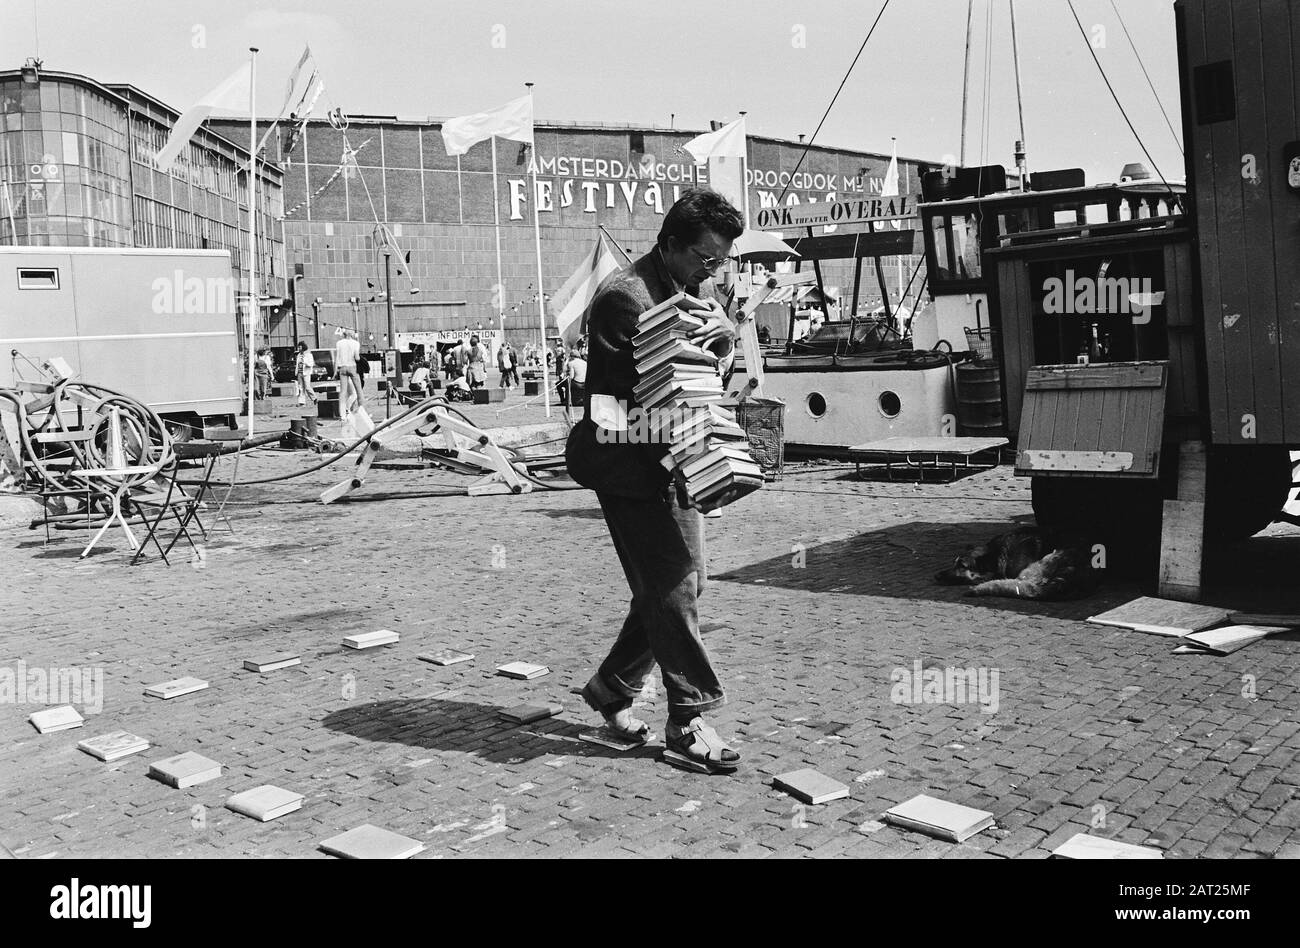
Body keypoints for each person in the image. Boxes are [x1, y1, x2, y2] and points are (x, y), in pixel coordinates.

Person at [564, 187, 743, 775]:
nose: (712, 272)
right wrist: (686, 369)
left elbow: (703, 371)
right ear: (670, 245)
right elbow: (612, 405)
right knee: (672, 587)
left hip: (676, 454)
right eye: (705, 259)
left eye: (719, 261)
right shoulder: (623, 299)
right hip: (627, 465)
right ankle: (687, 718)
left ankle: (611, 689)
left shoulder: (690, 286)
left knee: (687, 581)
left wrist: (722, 344)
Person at [334, 329, 362, 414]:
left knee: (343, 392)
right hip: (352, 366)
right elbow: (357, 358)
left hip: (342, 367)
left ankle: (342, 415)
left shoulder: (339, 343)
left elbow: (337, 358)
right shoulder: (356, 343)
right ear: (352, 335)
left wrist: (335, 371)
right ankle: (361, 412)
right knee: (359, 390)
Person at [294, 341, 317, 406]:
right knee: (300, 388)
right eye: (298, 347)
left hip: (306, 373)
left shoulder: (309, 355)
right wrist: (296, 372)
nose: (299, 348)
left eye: (300, 347)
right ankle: (301, 402)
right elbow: (297, 364)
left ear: (303, 347)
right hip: (299, 373)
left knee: (307, 387)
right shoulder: (298, 355)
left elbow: (311, 364)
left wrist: (305, 362)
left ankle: (314, 398)